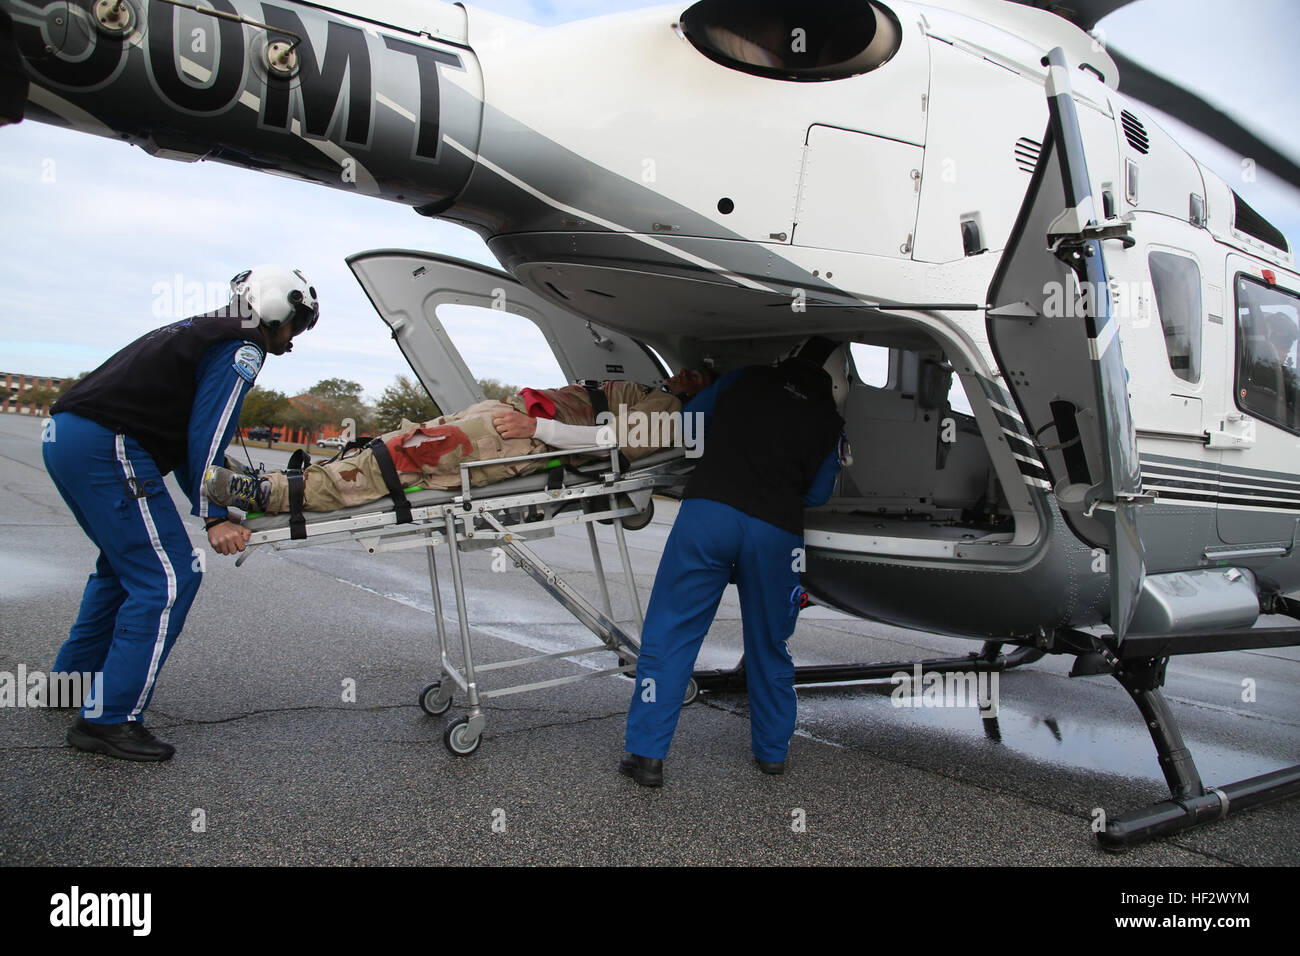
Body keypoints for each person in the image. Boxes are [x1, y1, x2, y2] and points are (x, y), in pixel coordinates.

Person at [44, 266, 319, 761]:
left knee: (123, 570)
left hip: (69, 437)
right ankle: (108, 720)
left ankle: (70, 685)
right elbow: (207, 435)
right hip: (106, 444)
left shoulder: (200, 329)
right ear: (277, 308)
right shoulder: (243, 347)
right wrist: (215, 516)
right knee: (169, 575)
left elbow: (186, 441)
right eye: (296, 324)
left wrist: (218, 497)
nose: (294, 339)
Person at [621, 339, 847, 786]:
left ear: (787, 355)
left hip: (710, 514)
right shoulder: (832, 421)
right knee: (768, 643)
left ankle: (646, 757)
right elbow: (819, 494)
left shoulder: (745, 378)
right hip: (776, 532)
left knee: (671, 630)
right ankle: (771, 754)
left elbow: (688, 427)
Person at [202, 368, 714, 515]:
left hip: (521, 438)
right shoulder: (654, 391)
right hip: (508, 419)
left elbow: (612, 445)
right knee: (402, 442)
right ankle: (287, 481)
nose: (689, 371)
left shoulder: (670, 413)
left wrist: (537, 430)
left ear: (702, 393)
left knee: (406, 455)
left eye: (701, 375)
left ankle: (273, 495)